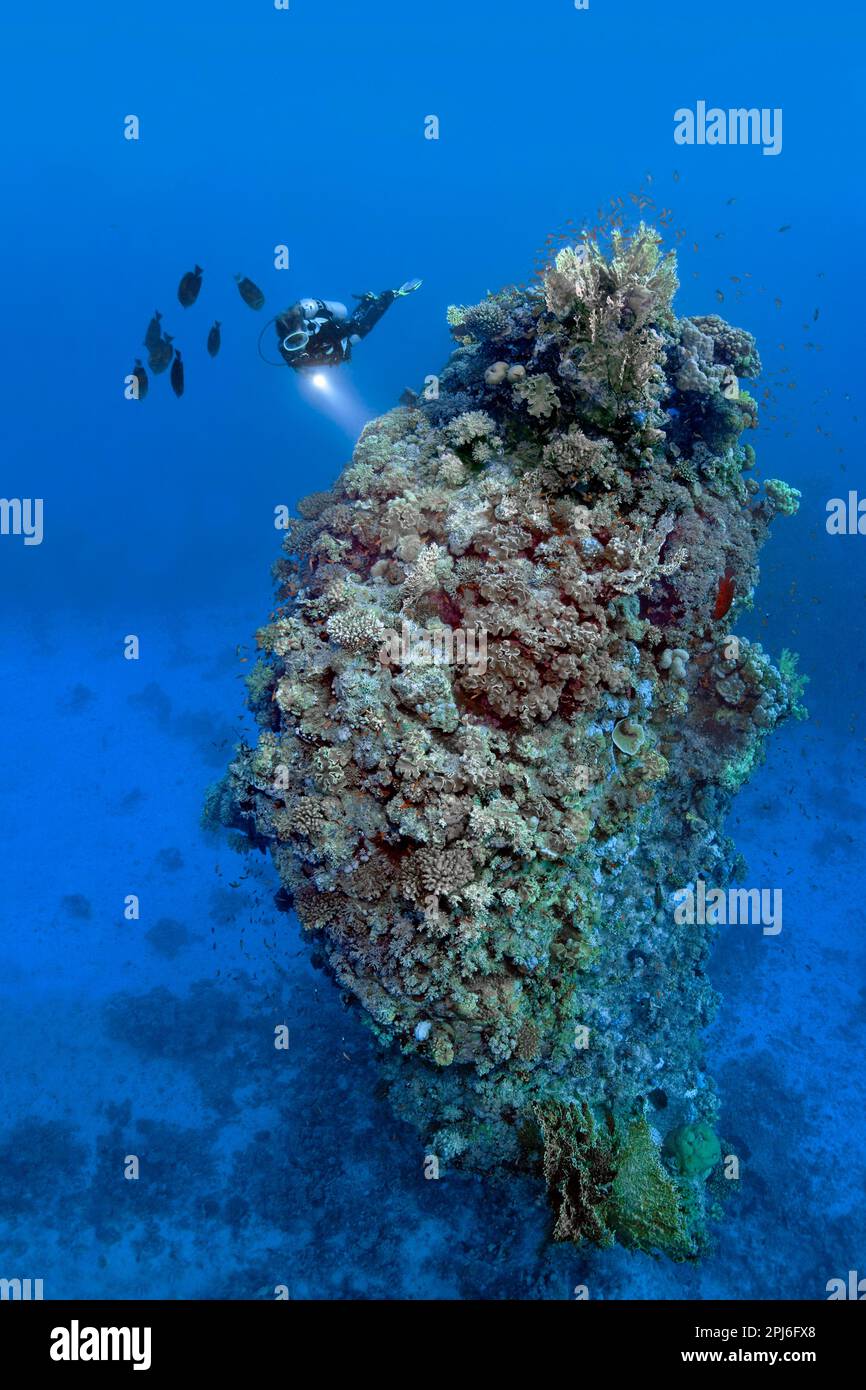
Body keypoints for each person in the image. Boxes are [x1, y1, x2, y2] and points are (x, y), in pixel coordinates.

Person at [274, 280, 422, 371]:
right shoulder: (291, 355)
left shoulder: (316, 329)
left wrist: (343, 347)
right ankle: (367, 302)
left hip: (336, 332)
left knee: (357, 333)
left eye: (299, 338)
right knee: (353, 331)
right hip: (334, 347)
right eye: (292, 344)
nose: (299, 345)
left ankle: (389, 296)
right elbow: (299, 366)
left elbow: (343, 328)